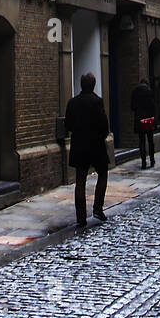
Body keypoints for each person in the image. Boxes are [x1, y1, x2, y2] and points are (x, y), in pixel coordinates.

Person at [65, 72, 110, 228]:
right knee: (103, 174)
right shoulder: (97, 102)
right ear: (94, 85)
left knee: (80, 181)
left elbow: (68, 125)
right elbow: (104, 125)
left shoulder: (72, 102)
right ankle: (98, 208)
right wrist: (102, 136)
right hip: (96, 145)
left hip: (79, 145)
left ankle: (81, 218)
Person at [131, 77, 156, 169]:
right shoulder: (150, 91)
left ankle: (143, 162)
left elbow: (132, 106)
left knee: (141, 141)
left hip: (139, 119)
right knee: (150, 140)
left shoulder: (135, 91)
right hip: (149, 119)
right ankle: (152, 160)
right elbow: (153, 105)